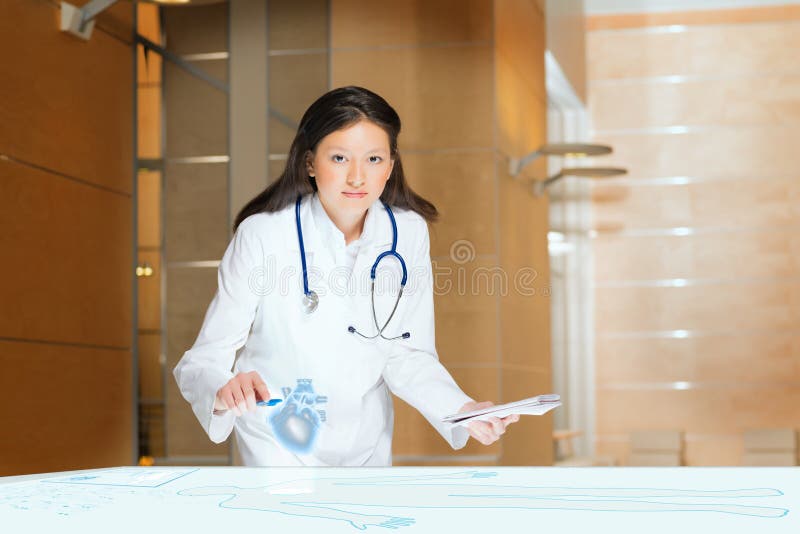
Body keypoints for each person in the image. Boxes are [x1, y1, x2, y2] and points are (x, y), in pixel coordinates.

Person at [173, 86, 519, 466]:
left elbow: (407, 354)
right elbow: (203, 360)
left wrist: (462, 409)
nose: (357, 177)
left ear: (390, 167)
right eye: (339, 158)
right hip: (278, 438)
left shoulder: (407, 233)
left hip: (365, 441)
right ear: (309, 162)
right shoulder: (263, 234)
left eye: (373, 159)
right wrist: (223, 390)